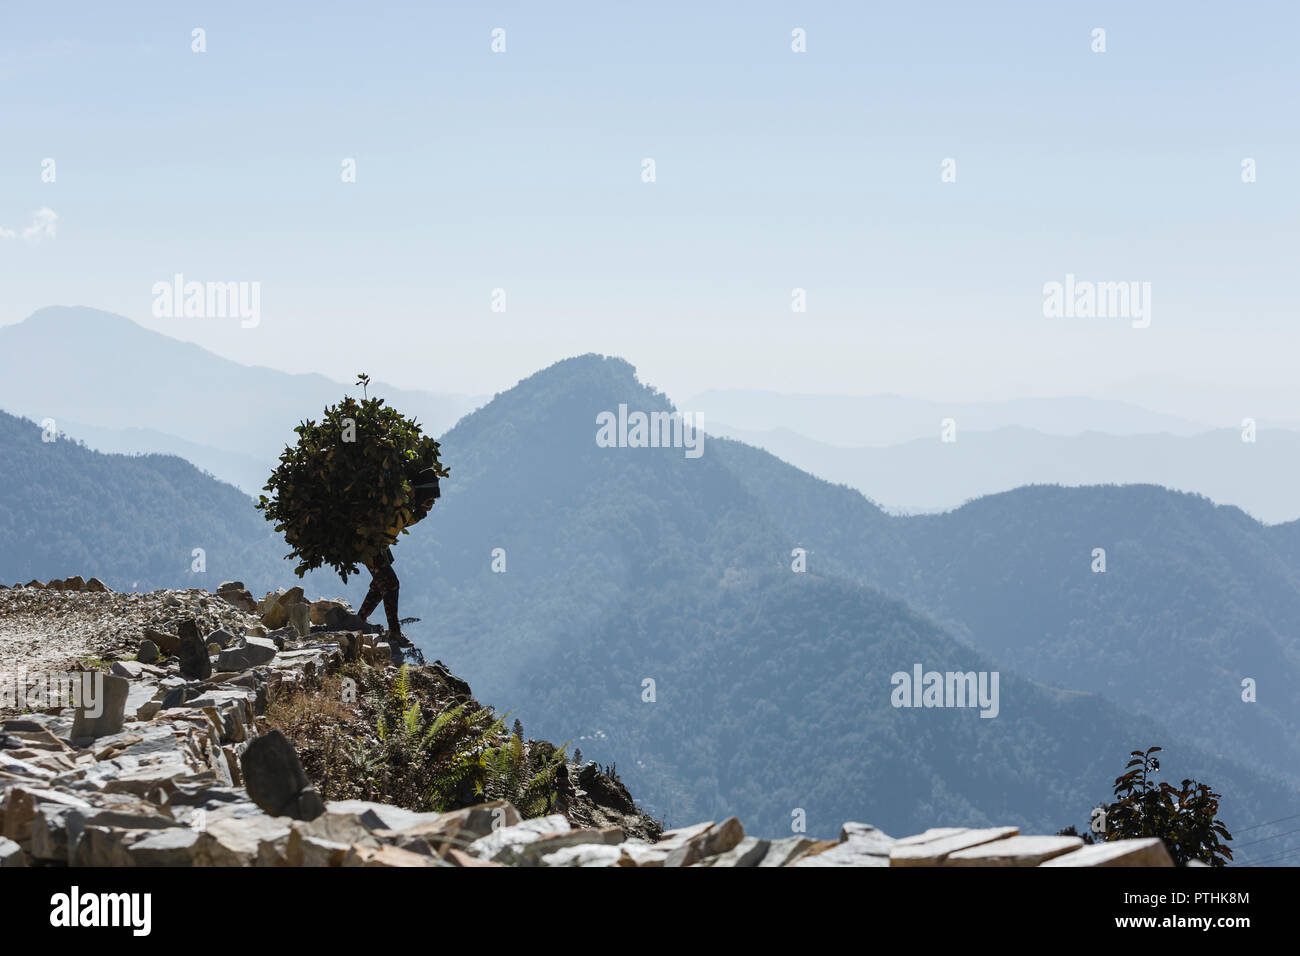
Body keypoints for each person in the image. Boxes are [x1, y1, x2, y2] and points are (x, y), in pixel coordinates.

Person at [355, 462, 441, 647]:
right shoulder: (398, 501)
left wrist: (419, 509)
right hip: (367, 544)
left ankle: (358, 621)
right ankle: (394, 632)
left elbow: (402, 521)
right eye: (429, 501)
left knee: (382, 584)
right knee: (390, 584)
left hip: (377, 545)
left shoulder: (409, 508)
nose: (430, 506)